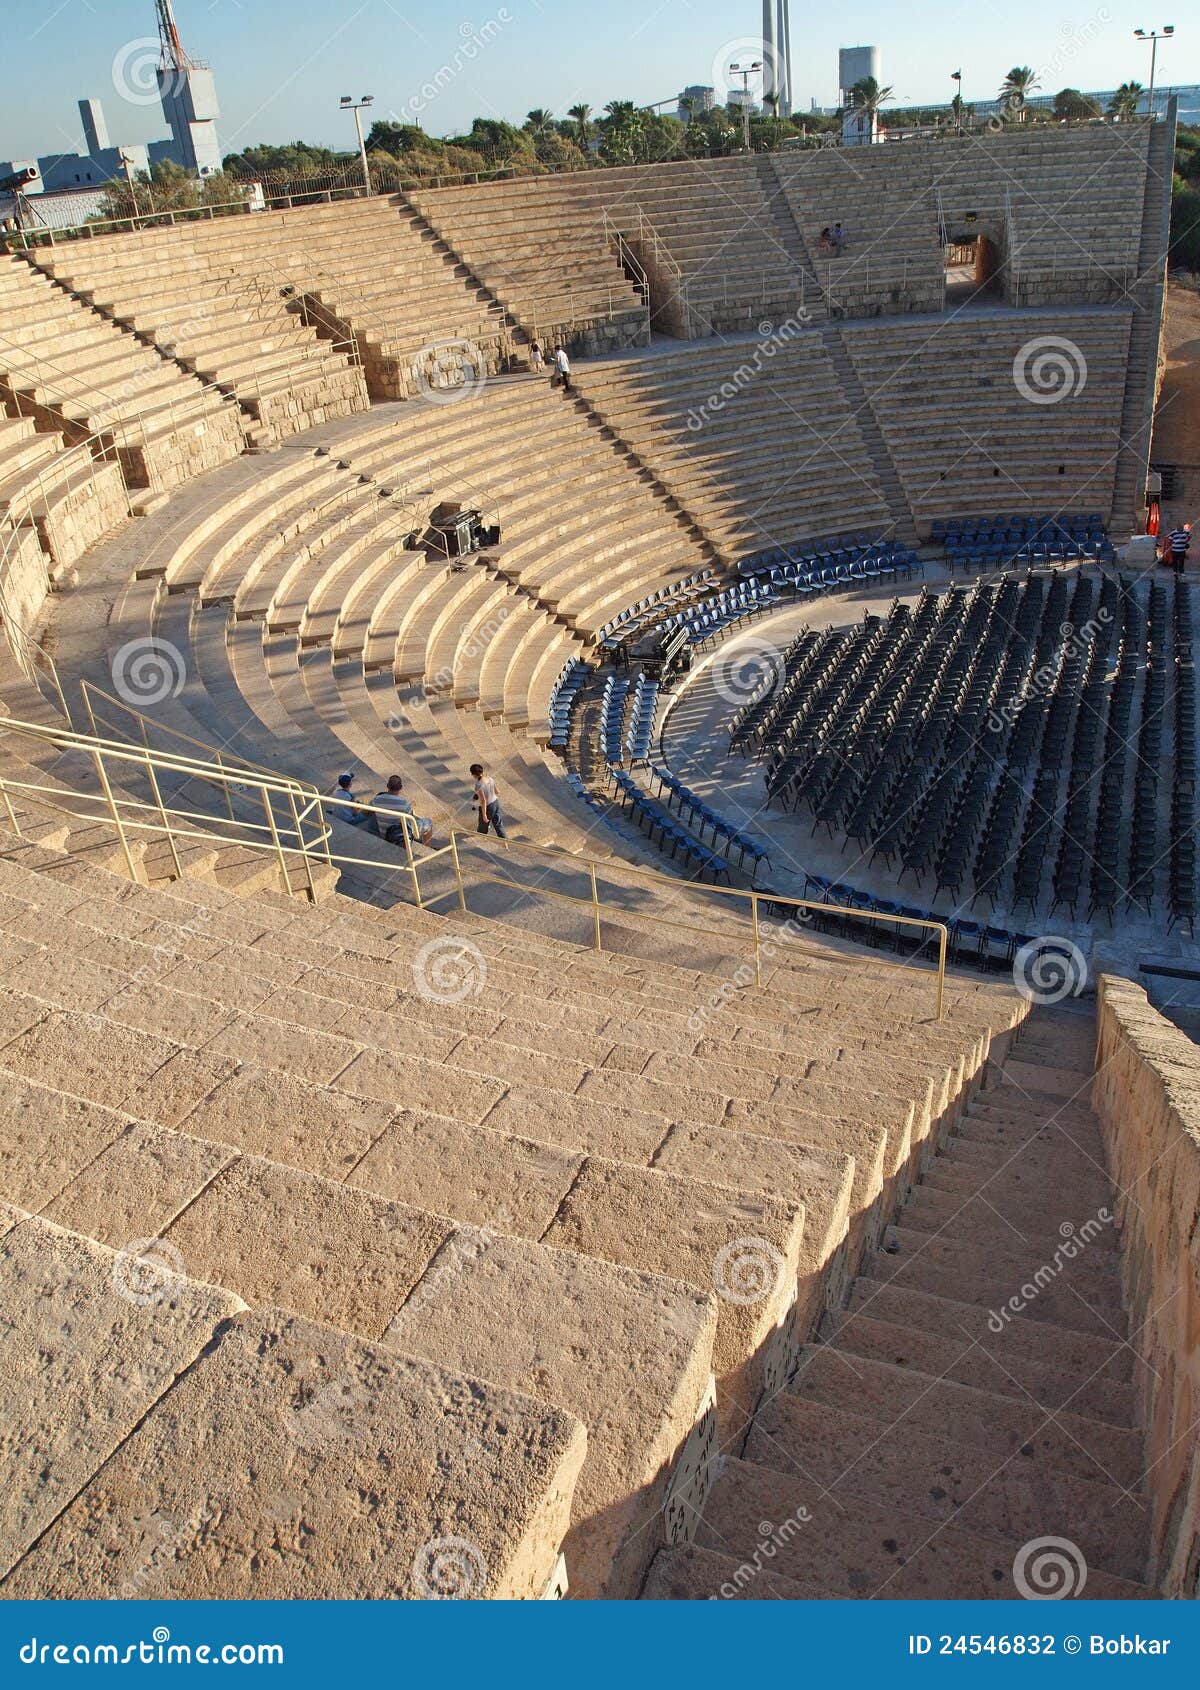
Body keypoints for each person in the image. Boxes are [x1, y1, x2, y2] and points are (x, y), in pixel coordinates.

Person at [370, 774, 433, 848]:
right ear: (401, 787)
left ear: (387, 786)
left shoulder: (377, 799)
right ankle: (427, 847)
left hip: (384, 833)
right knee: (428, 822)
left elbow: (366, 810)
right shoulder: (404, 803)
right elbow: (411, 819)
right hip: (401, 834)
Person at [470, 762, 508, 839]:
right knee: (498, 824)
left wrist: (484, 815)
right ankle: (505, 841)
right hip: (496, 803)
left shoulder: (478, 785)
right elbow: (497, 791)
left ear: (473, 774)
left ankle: (481, 838)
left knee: (482, 826)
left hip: (488, 807)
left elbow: (483, 801)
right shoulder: (490, 778)